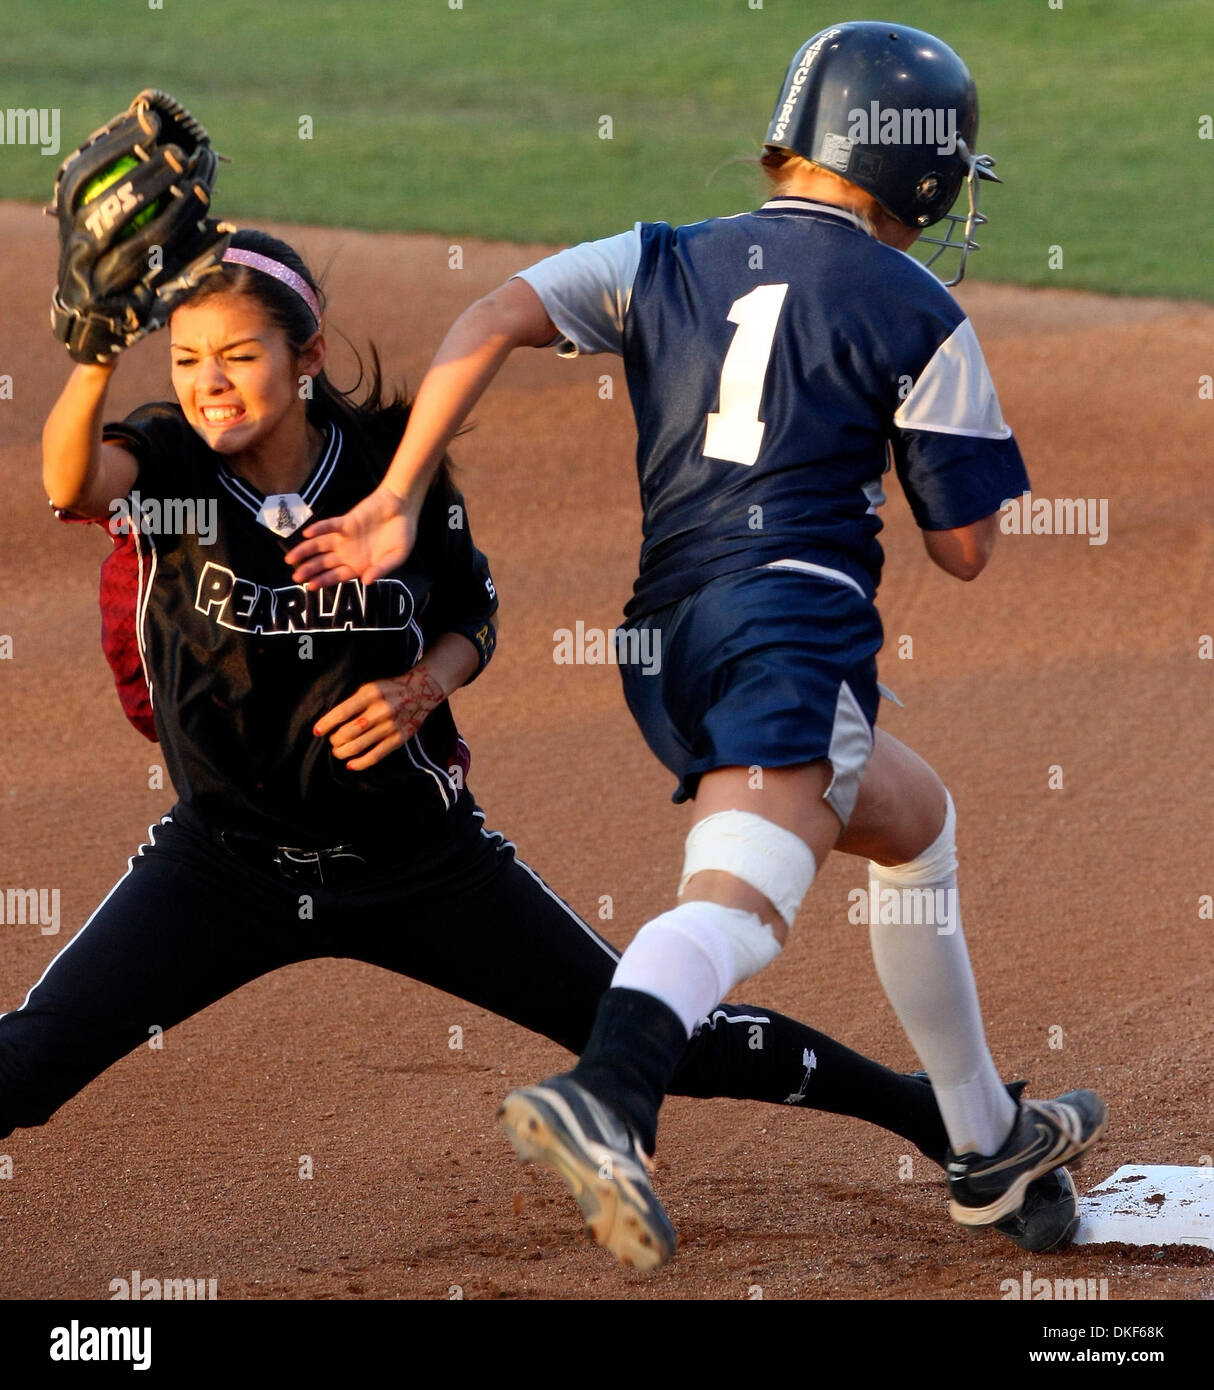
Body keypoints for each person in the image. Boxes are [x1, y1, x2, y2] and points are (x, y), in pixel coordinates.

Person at [13, 226, 1067, 1277]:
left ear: (308, 355)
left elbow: (472, 614)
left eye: (240, 354)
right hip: (225, 865)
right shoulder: (166, 463)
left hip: (421, 863)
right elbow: (71, 479)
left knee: (665, 1034)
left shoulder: (391, 468)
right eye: (188, 358)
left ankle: (944, 1125)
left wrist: (426, 683)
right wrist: (94, 349)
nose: (211, 383)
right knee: (36, 1059)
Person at [285, 22, 1107, 1271]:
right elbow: (965, 547)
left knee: (912, 819)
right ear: (923, 177)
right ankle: (609, 1088)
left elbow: (497, 310)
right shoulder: (917, 306)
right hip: (787, 630)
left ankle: (985, 1138)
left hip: (666, 637)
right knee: (740, 899)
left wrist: (399, 492)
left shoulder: (662, 255)